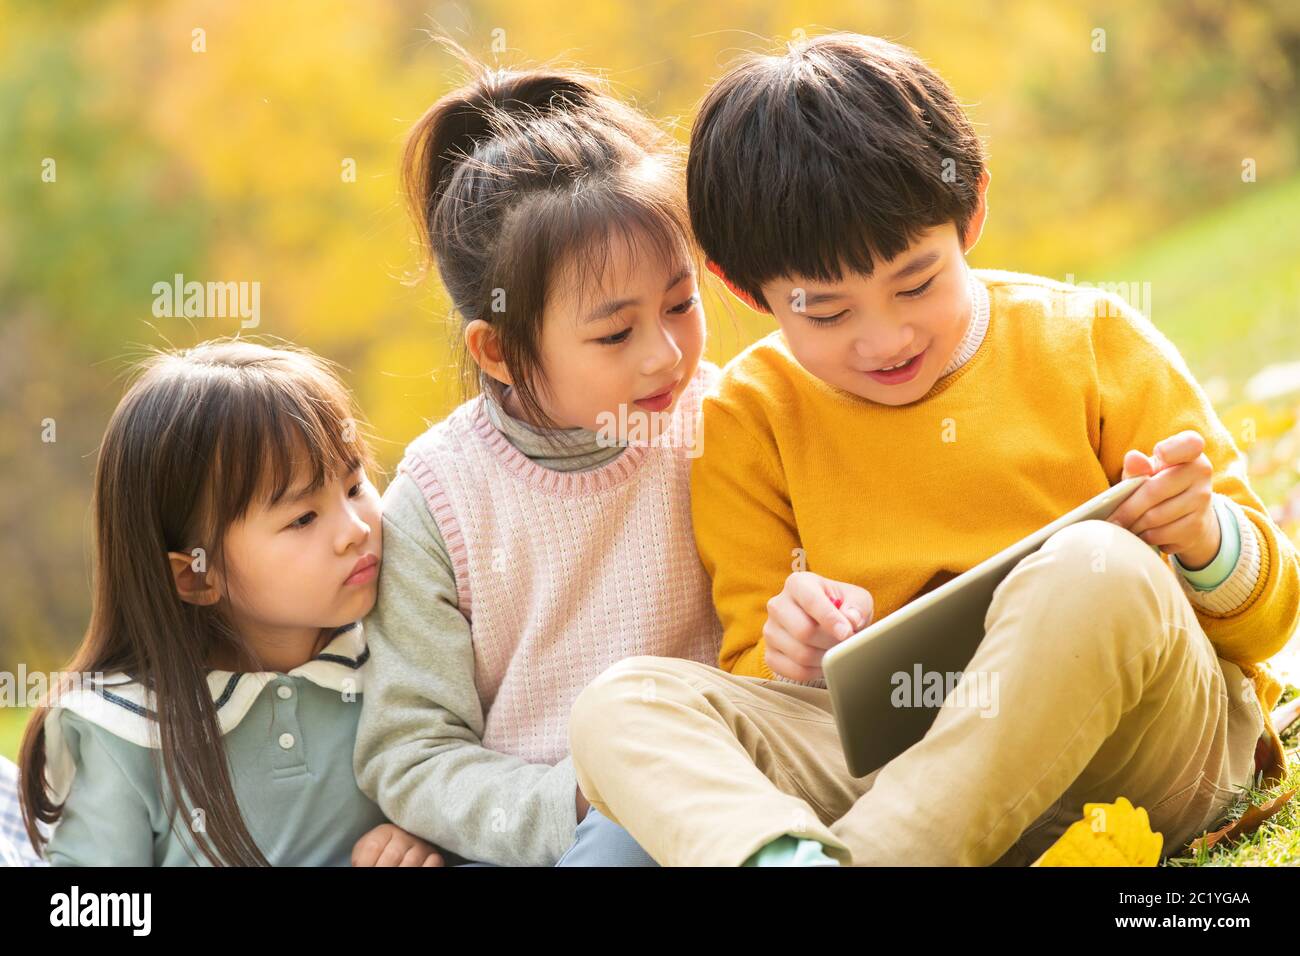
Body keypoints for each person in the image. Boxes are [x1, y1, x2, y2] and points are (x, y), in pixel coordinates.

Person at [569, 32, 1296, 867]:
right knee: (619, 704)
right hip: (898, 773)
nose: (886, 338)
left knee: (1097, 566)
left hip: (1141, 762)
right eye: (828, 313)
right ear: (747, 289)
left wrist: (1204, 539)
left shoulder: (1087, 340)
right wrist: (798, 656)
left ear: (973, 210)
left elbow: (1271, 620)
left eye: (916, 283)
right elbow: (760, 679)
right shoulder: (749, 419)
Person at [352, 40, 722, 867]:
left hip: (723, 797)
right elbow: (409, 752)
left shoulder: (733, 420)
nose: (666, 355)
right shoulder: (442, 496)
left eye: (682, 303)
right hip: (552, 835)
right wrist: (580, 797)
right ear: (498, 351)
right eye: (615, 332)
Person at [11, 339, 441, 866]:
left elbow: (472, 785)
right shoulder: (123, 729)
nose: (354, 530)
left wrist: (425, 838)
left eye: (354, 486)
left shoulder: (405, 651)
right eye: (302, 518)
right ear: (195, 576)